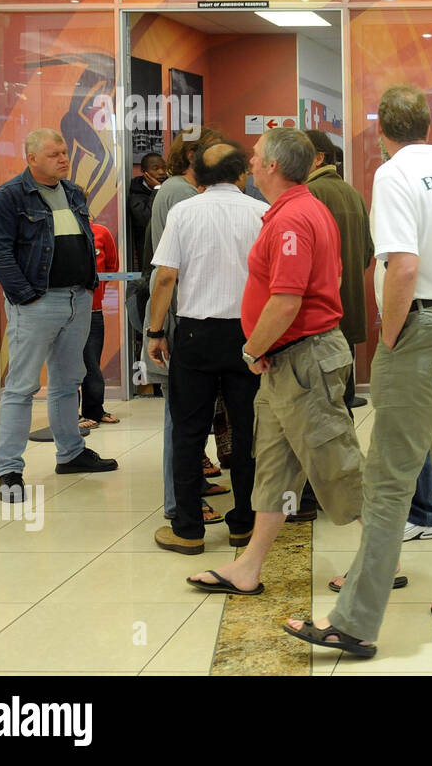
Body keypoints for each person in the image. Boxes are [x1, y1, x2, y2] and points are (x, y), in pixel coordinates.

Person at [285, 85, 432, 658]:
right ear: (430, 125)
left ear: (381, 129)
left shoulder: (391, 176)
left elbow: (403, 266)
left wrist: (391, 337)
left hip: (423, 329)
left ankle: (355, 622)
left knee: (389, 476)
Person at [184, 128, 367, 595]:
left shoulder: (292, 219)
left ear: (273, 166)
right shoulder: (290, 211)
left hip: (304, 361)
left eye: (257, 155)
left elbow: (287, 300)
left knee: (336, 466)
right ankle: (249, 567)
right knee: (273, 467)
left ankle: (378, 560)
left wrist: (252, 348)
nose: (251, 159)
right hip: (287, 362)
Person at [0, 129, 116, 501]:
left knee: (67, 380)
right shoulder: (7, 197)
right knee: (22, 387)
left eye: (64, 152)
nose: (63, 158)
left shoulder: (73, 192)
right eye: (54, 154)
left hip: (77, 300)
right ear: (31, 158)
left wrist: (87, 285)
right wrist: (25, 297)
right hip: (37, 304)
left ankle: (71, 453)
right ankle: (9, 469)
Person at [148, 143, 268, 555]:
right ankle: (243, 524)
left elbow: (166, 278)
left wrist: (155, 331)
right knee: (248, 432)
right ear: (241, 176)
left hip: (196, 336)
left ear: (197, 176)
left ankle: (189, 529)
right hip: (248, 338)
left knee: (188, 431)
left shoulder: (184, 212)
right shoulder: (261, 213)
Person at [142, 128, 227, 517]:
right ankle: (179, 502)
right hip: (180, 316)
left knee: (191, 413)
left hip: (186, 315)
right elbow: (168, 273)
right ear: (194, 155)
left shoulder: (183, 191)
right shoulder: (180, 193)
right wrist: (158, 330)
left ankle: (192, 483)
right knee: (181, 416)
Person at [303, 129, 375, 413]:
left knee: (323, 403)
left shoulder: (308, 193)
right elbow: (368, 251)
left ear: (318, 158)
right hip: (349, 297)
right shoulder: (351, 192)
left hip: (319, 307)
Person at [79, 219, 120, 428]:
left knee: (92, 362)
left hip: (94, 309)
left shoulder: (101, 233)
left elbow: (113, 267)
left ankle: (94, 410)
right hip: (66, 311)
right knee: (68, 366)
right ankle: (70, 415)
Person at [128, 152, 166, 270]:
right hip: (148, 256)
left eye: (164, 168)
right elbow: (147, 219)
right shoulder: (136, 193)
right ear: (144, 172)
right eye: (156, 168)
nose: (161, 172)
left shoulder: (169, 187)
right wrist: (157, 189)